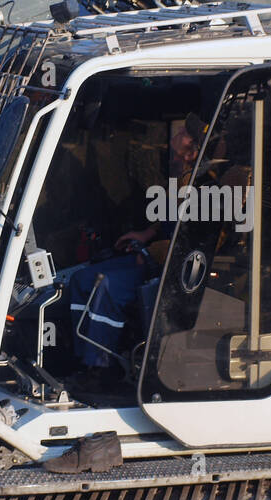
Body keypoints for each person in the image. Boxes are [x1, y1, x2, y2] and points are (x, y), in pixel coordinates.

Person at [65, 114, 203, 383]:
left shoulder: (205, 185)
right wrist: (146, 233)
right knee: (81, 278)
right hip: (150, 256)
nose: (177, 134)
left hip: (170, 267)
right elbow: (166, 218)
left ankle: (103, 367)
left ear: (193, 150)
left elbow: (193, 241)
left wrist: (150, 252)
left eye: (185, 133)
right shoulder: (179, 177)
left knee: (106, 285)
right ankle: (81, 358)